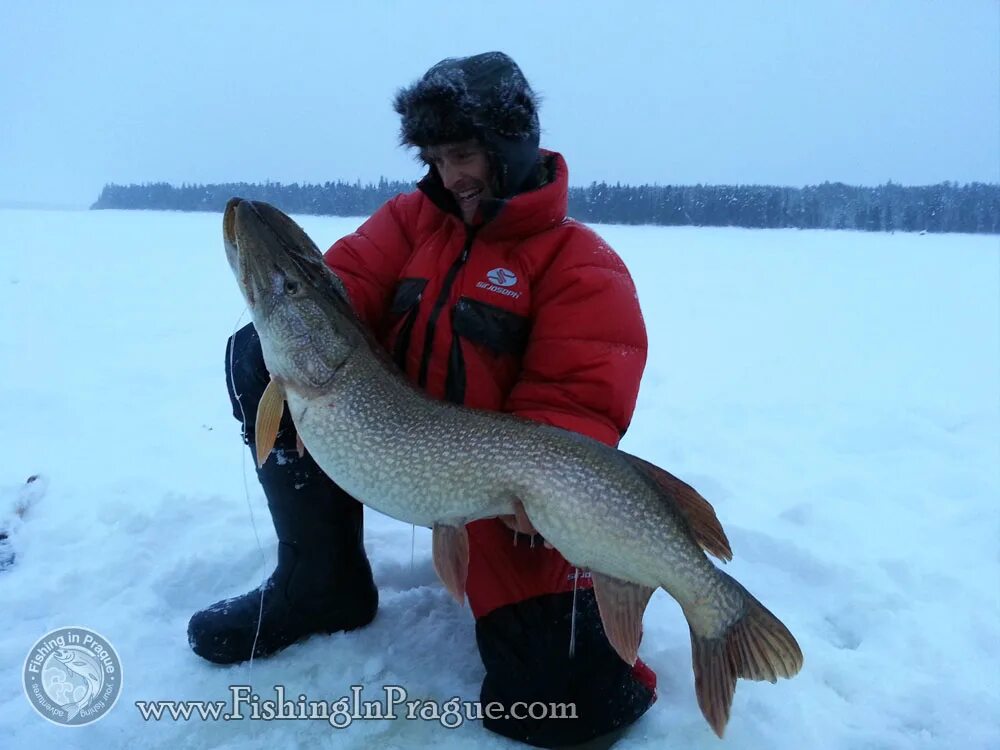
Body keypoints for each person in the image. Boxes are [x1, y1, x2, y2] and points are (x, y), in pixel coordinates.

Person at [188, 51, 656, 748]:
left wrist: (538, 496)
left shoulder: (579, 264)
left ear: (510, 144)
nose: (450, 175)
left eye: (464, 154)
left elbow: (575, 403)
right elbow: (339, 290)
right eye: (436, 158)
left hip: (506, 506)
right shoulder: (410, 222)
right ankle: (321, 583)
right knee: (259, 352)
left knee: (569, 706)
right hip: (387, 445)